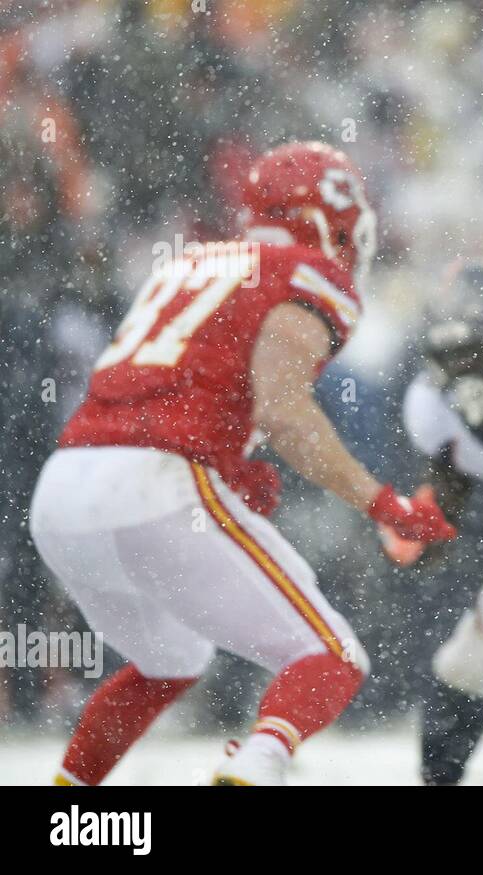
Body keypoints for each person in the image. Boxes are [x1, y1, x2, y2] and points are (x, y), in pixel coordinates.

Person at [29, 142, 456, 786]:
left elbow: (156, 387)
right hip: (157, 483)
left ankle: (71, 803)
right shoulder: (304, 273)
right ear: (322, 220)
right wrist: (382, 501)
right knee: (332, 656)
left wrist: (226, 459)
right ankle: (258, 767)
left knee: (168, 660)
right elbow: (283, 410)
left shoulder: (191, 262)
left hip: (63, 489)